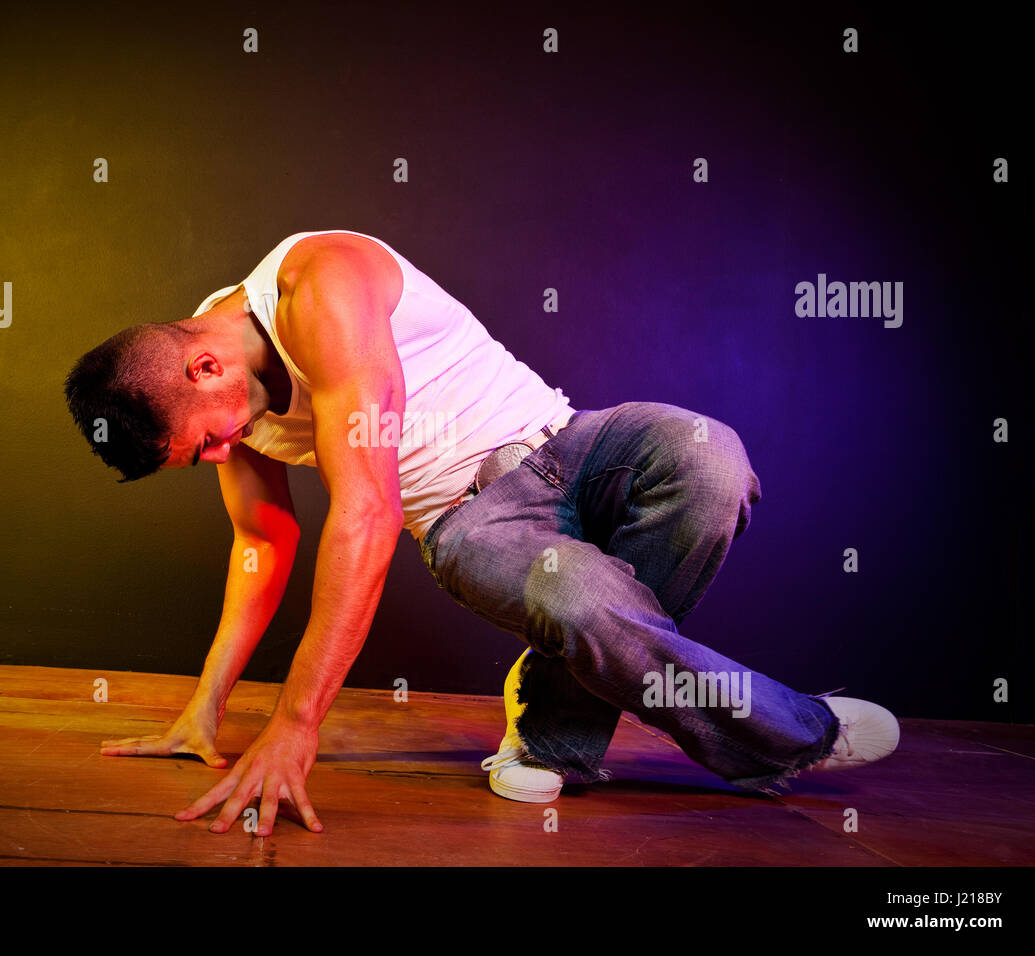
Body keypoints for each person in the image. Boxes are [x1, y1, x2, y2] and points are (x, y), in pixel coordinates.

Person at [63, 229, 900, 835]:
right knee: (576, 592)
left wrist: (296, 725)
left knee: (711, 459)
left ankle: (552, 721)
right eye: (200, 458)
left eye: (203, 442)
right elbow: (262, 541)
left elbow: (366, 510)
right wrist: (203, 709)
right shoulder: (226, 397)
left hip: (570, 441)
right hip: (473, 521)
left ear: (203, 366)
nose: (218, 456)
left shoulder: (322, 282)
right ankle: (793, 733)